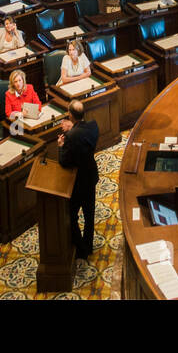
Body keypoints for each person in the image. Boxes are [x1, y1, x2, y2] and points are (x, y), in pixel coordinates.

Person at [57, 100, 99, 260]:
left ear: (70, 115)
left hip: (76, 182)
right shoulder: (93, 127)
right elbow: (82, 134)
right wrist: (73, 128)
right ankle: (88, 246)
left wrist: (61, 145)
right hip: (91, 177)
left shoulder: (69, 137)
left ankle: (80, 249)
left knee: (71, 215)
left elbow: (64, 161)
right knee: (89, 215)